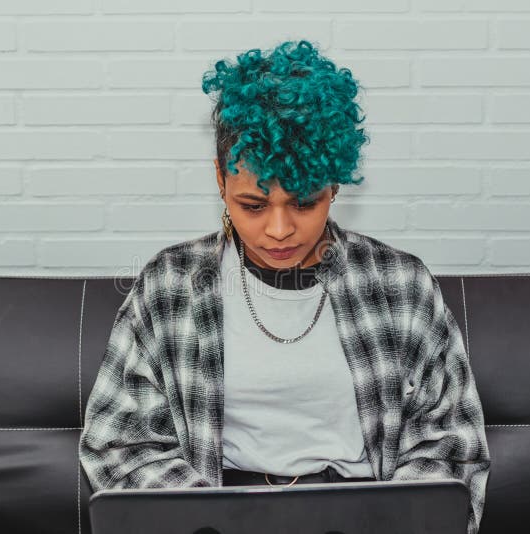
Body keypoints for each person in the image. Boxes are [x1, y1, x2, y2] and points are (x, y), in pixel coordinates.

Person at [79, 39, 491, 534]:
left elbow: (451, 444)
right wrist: (210, 522)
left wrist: (386, 523)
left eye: (304, 203)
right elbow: (119, 444)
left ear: (334, 185)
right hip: (215, 521)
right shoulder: (169, 286)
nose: (278, 230)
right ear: (219, 179)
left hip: (364, 517)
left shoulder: (401, 285)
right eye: (253, 205)